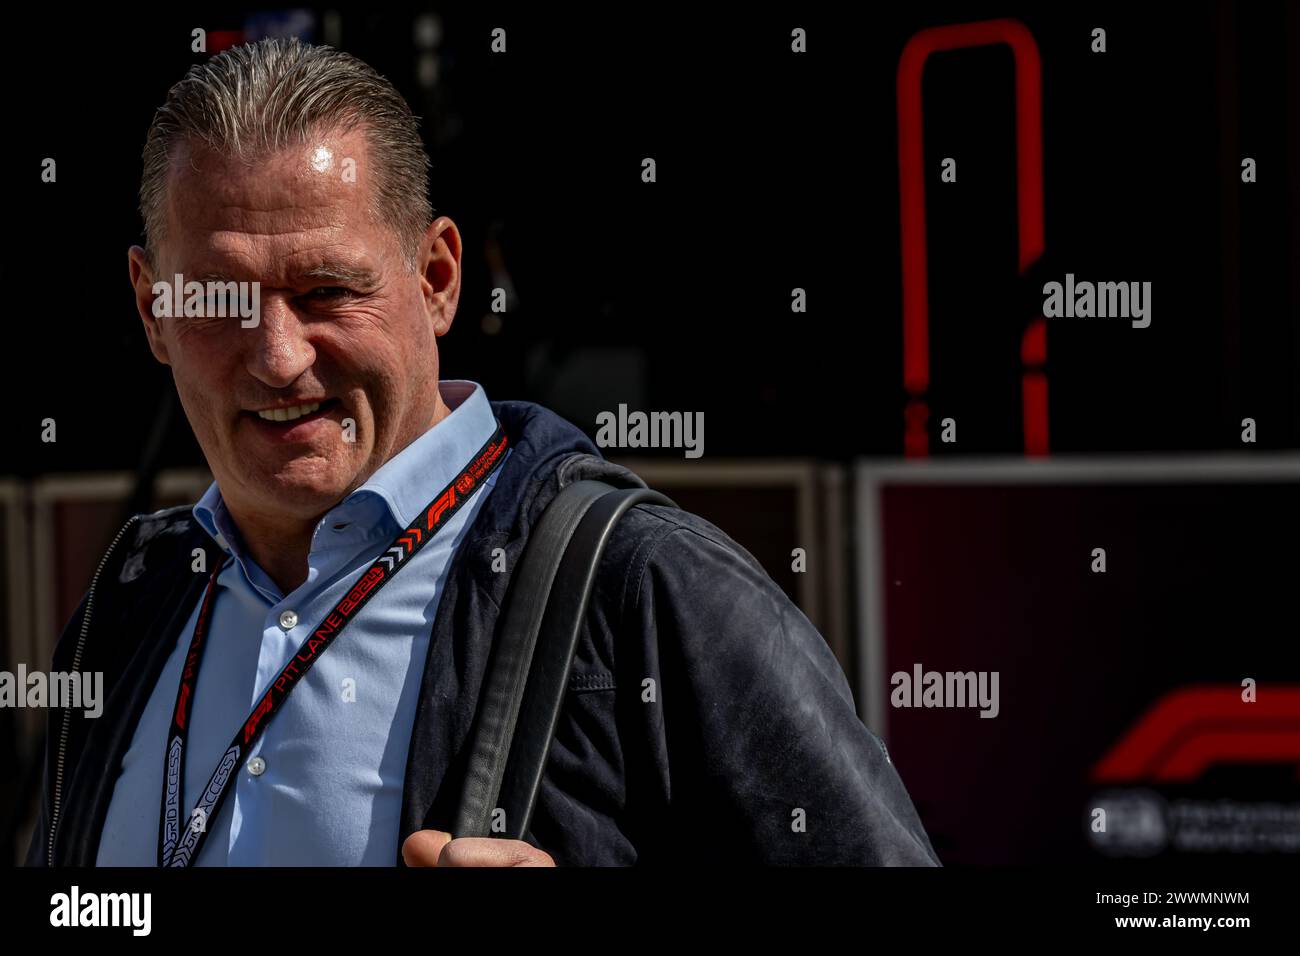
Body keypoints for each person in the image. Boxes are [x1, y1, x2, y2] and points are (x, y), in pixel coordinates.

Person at [25, 37, 938, 867]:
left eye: (328, 291)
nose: (278, 355)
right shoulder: (130, 606)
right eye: (221, 299)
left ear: (437, 280)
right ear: (152, 309)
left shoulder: (651, 591)